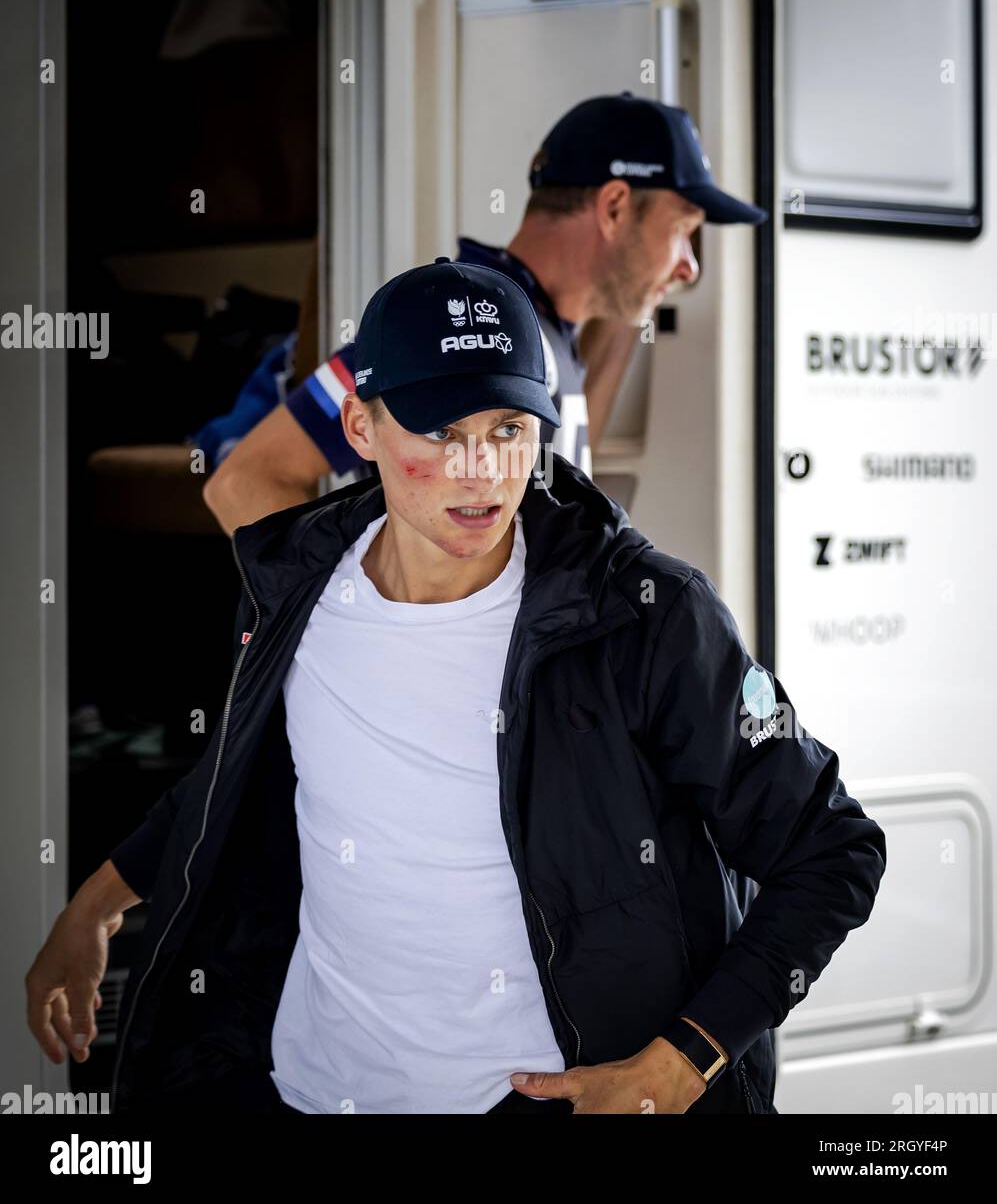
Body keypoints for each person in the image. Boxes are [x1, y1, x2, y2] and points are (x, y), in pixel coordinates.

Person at [26, 258, 886, 1116]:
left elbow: (833, 851)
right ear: (361, 429)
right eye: (440, 432)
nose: (480, 472)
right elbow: (238, 777)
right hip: (307, 1091)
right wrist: (94, 908)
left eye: (509, 429)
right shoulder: (296, 582)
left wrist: (679, 1064)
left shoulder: (641, 616)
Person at [201, 93, 767, 535]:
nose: (690, 266)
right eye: (683, 231)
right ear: (615, 206)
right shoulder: (460, 319)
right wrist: (351, 627)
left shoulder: (549, 332)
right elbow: (244, 482)